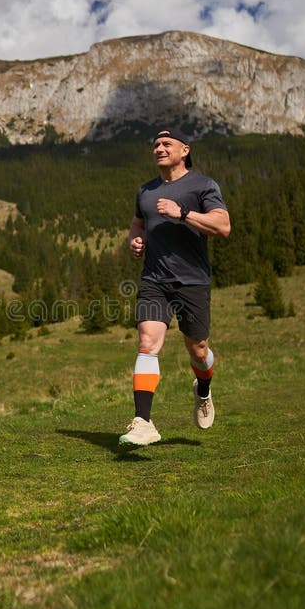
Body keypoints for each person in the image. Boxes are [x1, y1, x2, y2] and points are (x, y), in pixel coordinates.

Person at [119, 128, 231, 447]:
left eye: (167, 144)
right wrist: (135, 242)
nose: (159, 148)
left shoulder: (203, 185)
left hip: (192, 281)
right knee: (147, 342)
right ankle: (144, 422)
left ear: (185, 150)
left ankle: (204, 390)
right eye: (155, 144)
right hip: (154, 279)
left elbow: (223, 226)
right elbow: (138, 222)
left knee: (197, 350)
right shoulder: (146, 190)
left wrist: (183, 213)